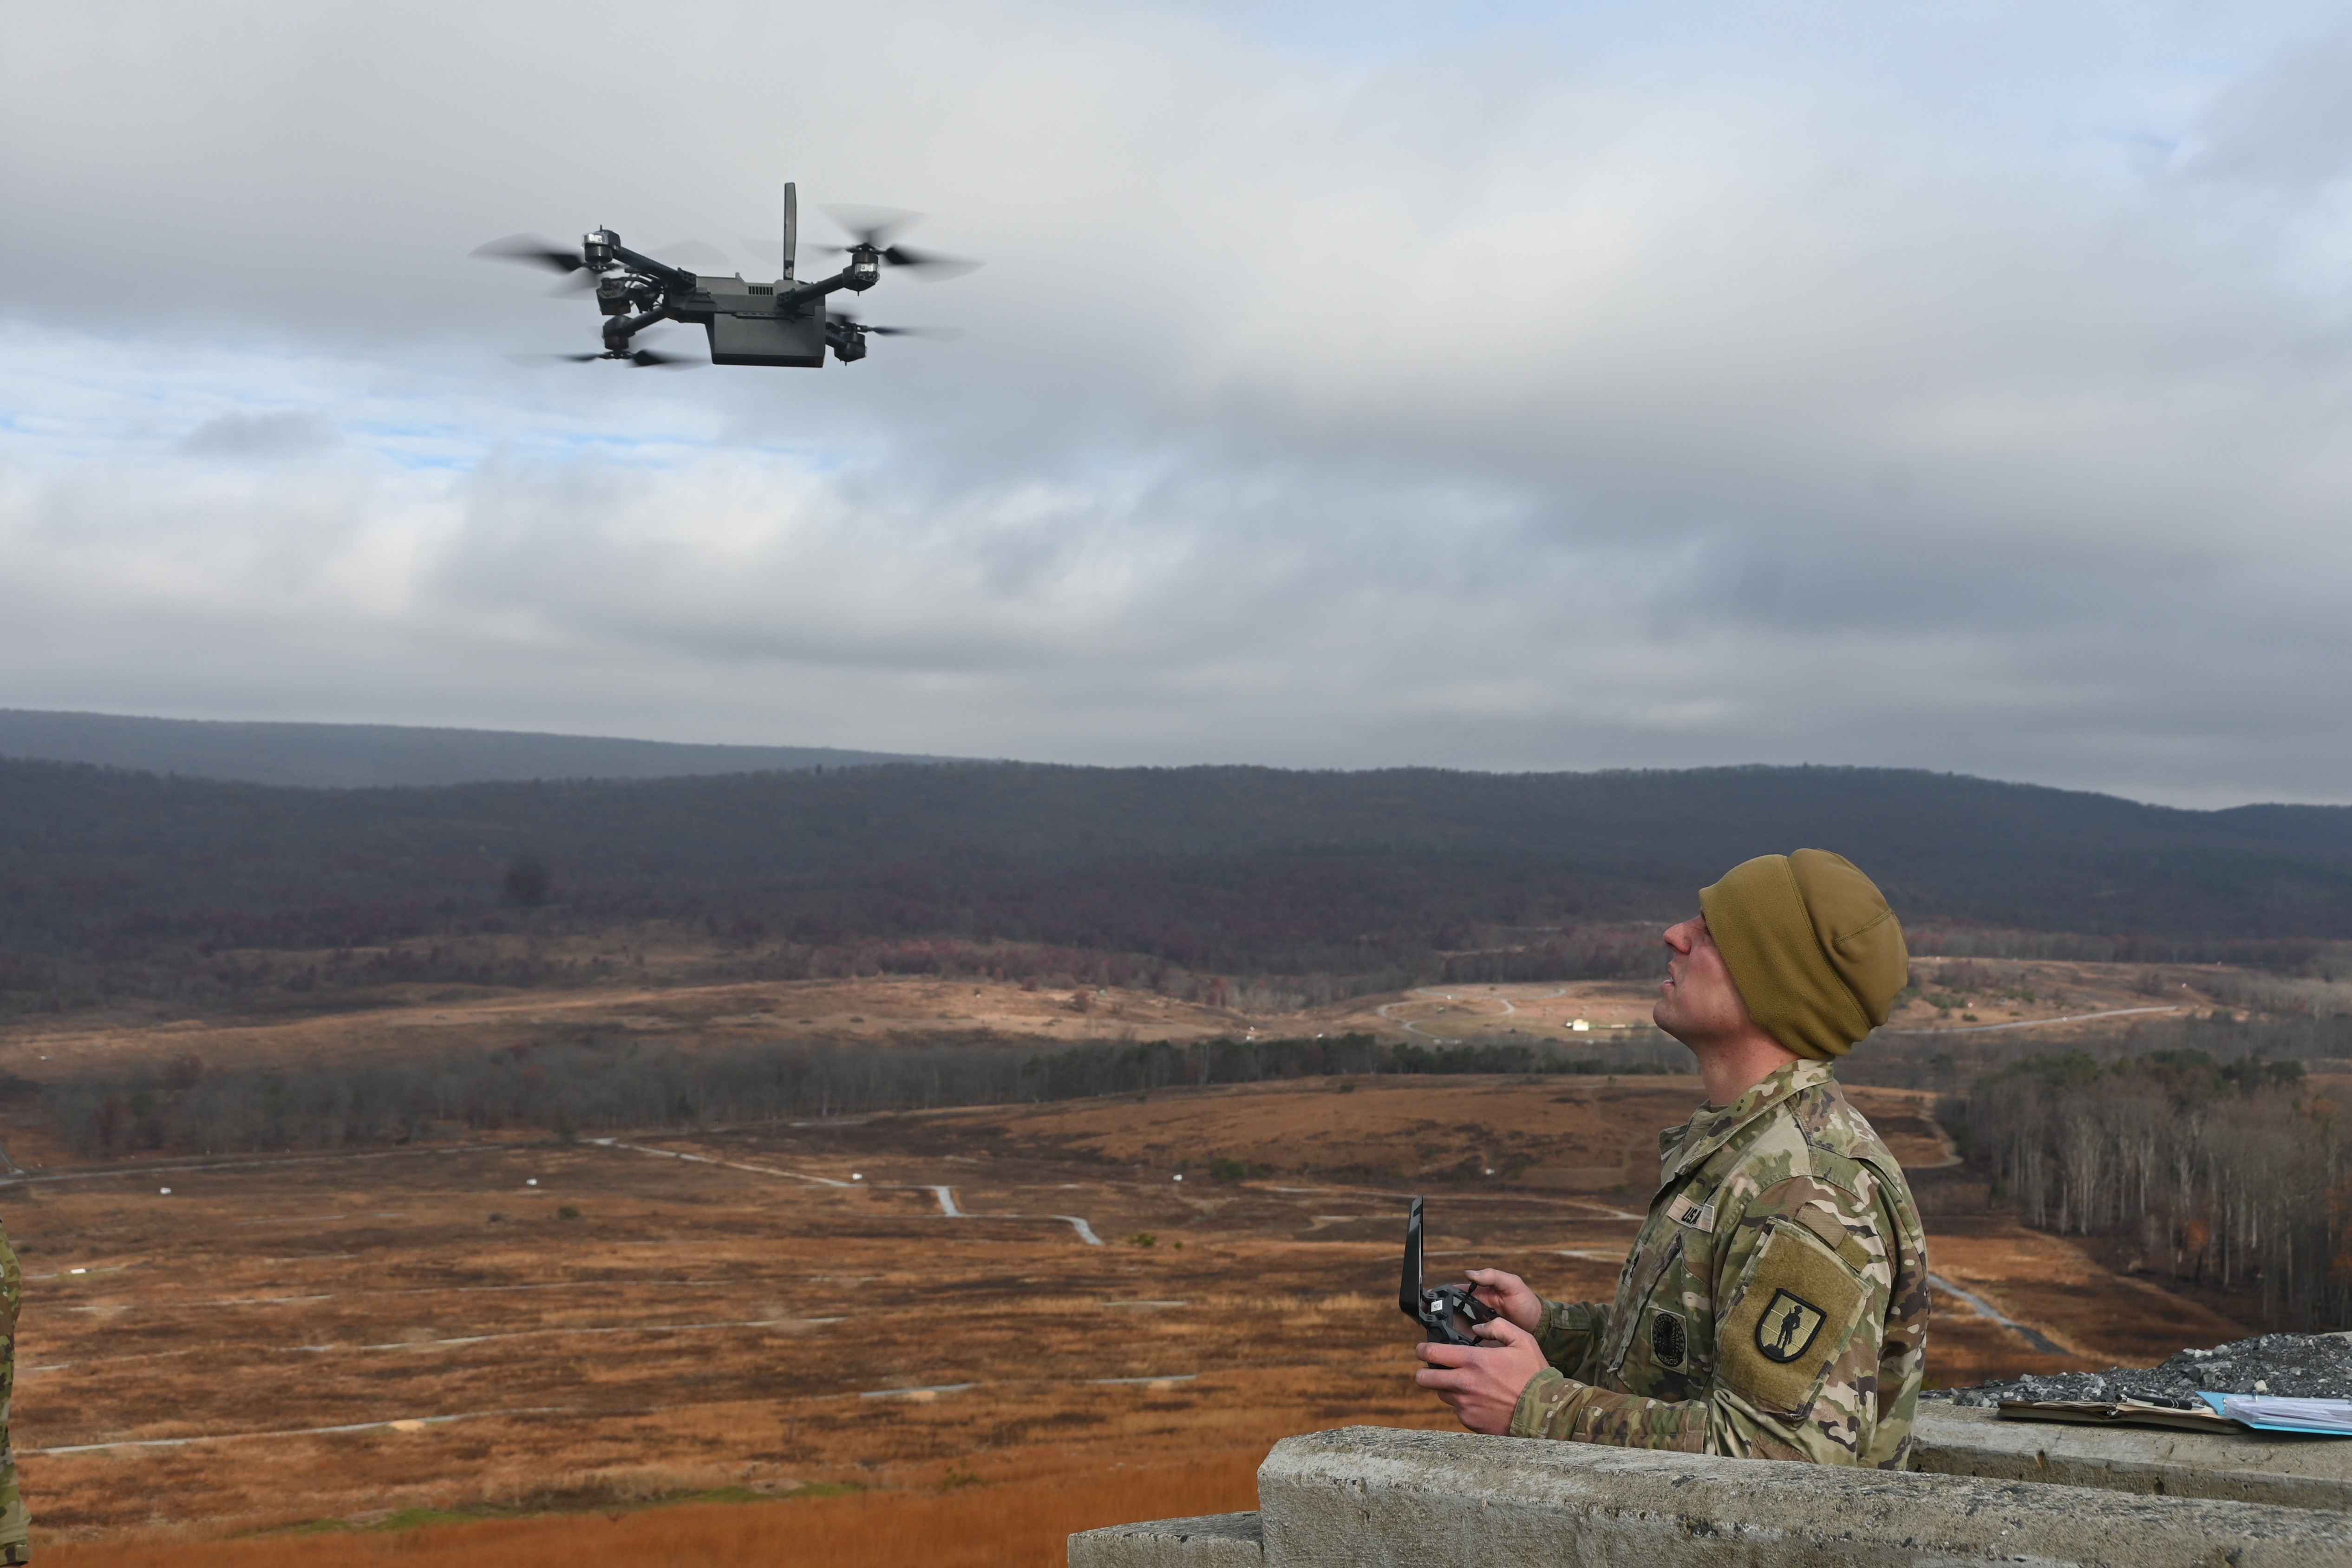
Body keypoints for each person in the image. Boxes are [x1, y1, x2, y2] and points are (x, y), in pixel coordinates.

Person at [1413, 849, 1930, 1466]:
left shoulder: (1810, 1190)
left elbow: (1780, 1458)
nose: (1675, 936)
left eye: (1710, 933)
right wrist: (1548, 1327)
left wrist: (1537, 1405)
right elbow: (1680, 1360)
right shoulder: (1744, 1149)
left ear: (1775, 984)